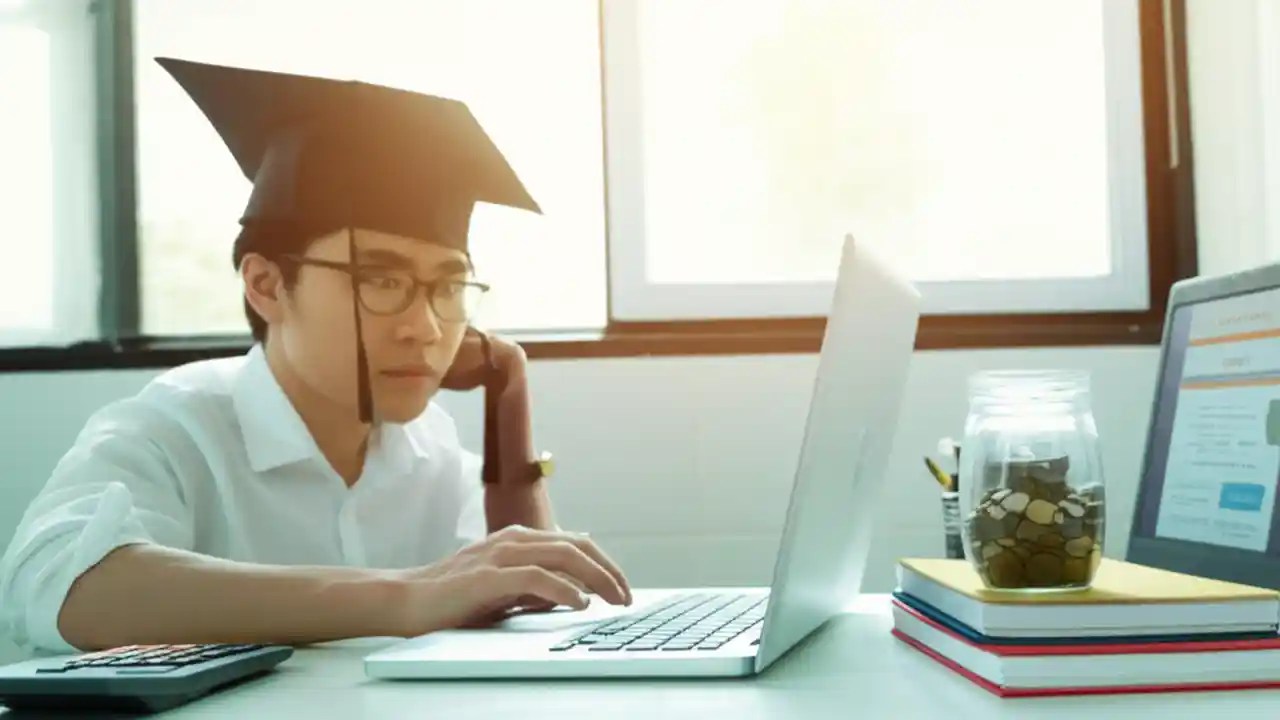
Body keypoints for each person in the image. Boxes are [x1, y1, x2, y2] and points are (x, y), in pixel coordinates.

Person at [0, 58, 631, 654]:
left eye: (446, 286)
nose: (424, 326)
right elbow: (57, 587)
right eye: (381, 280)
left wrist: (509, 400)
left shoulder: (435, 461)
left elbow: (527, 594)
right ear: (267, 286)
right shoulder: (173, 429)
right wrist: (403, 595)